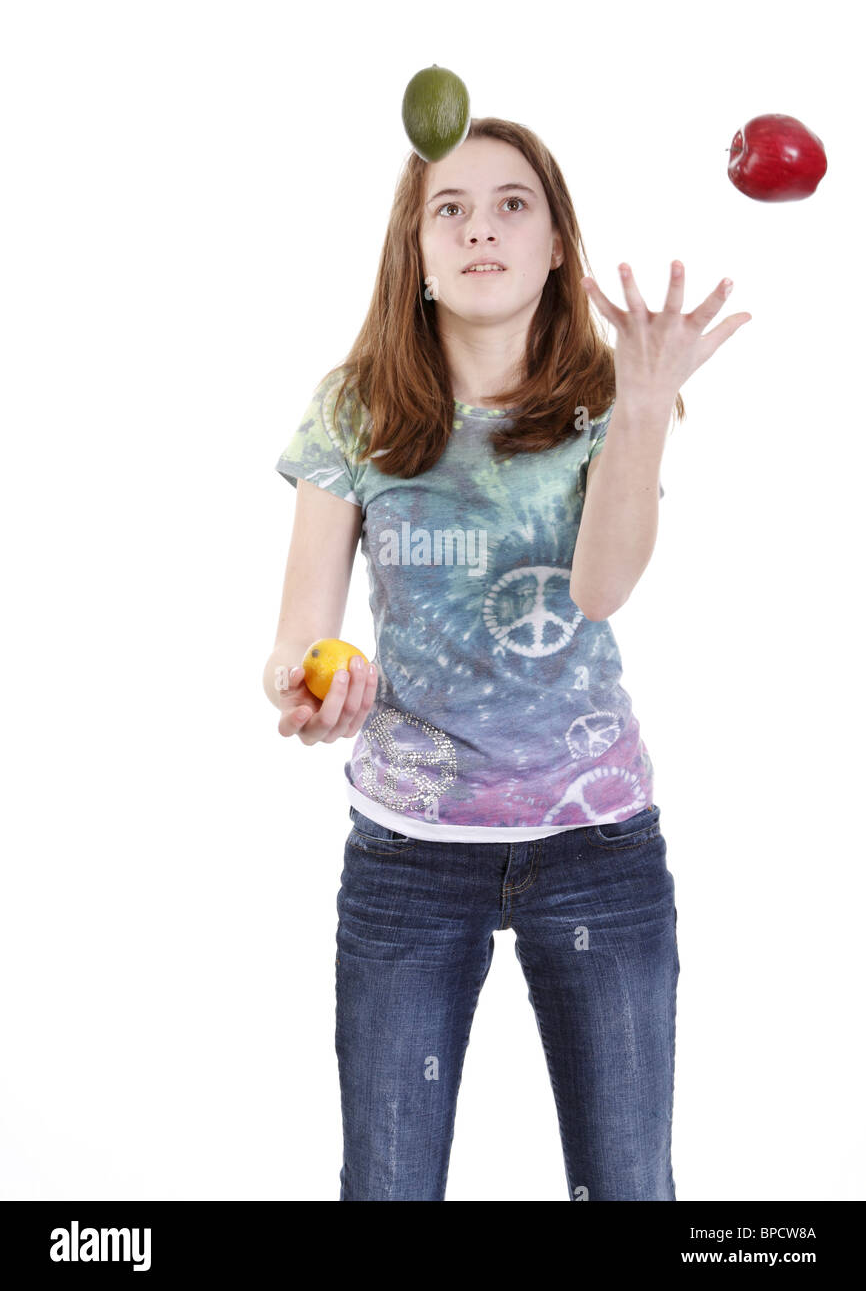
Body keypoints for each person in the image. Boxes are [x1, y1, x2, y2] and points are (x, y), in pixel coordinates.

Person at [262, 117, 751, 1201]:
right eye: (450, 209)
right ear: (417, 255)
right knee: (386, 1187)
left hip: (596, 843)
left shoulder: (601, 403)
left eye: (511, 204)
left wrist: (636, 406)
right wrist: (306, 683)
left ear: (555, 247)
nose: (480, 227)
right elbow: (298, 632)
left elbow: (599, 588)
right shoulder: (356, 409)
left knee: (629, 1186)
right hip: (407, 854)